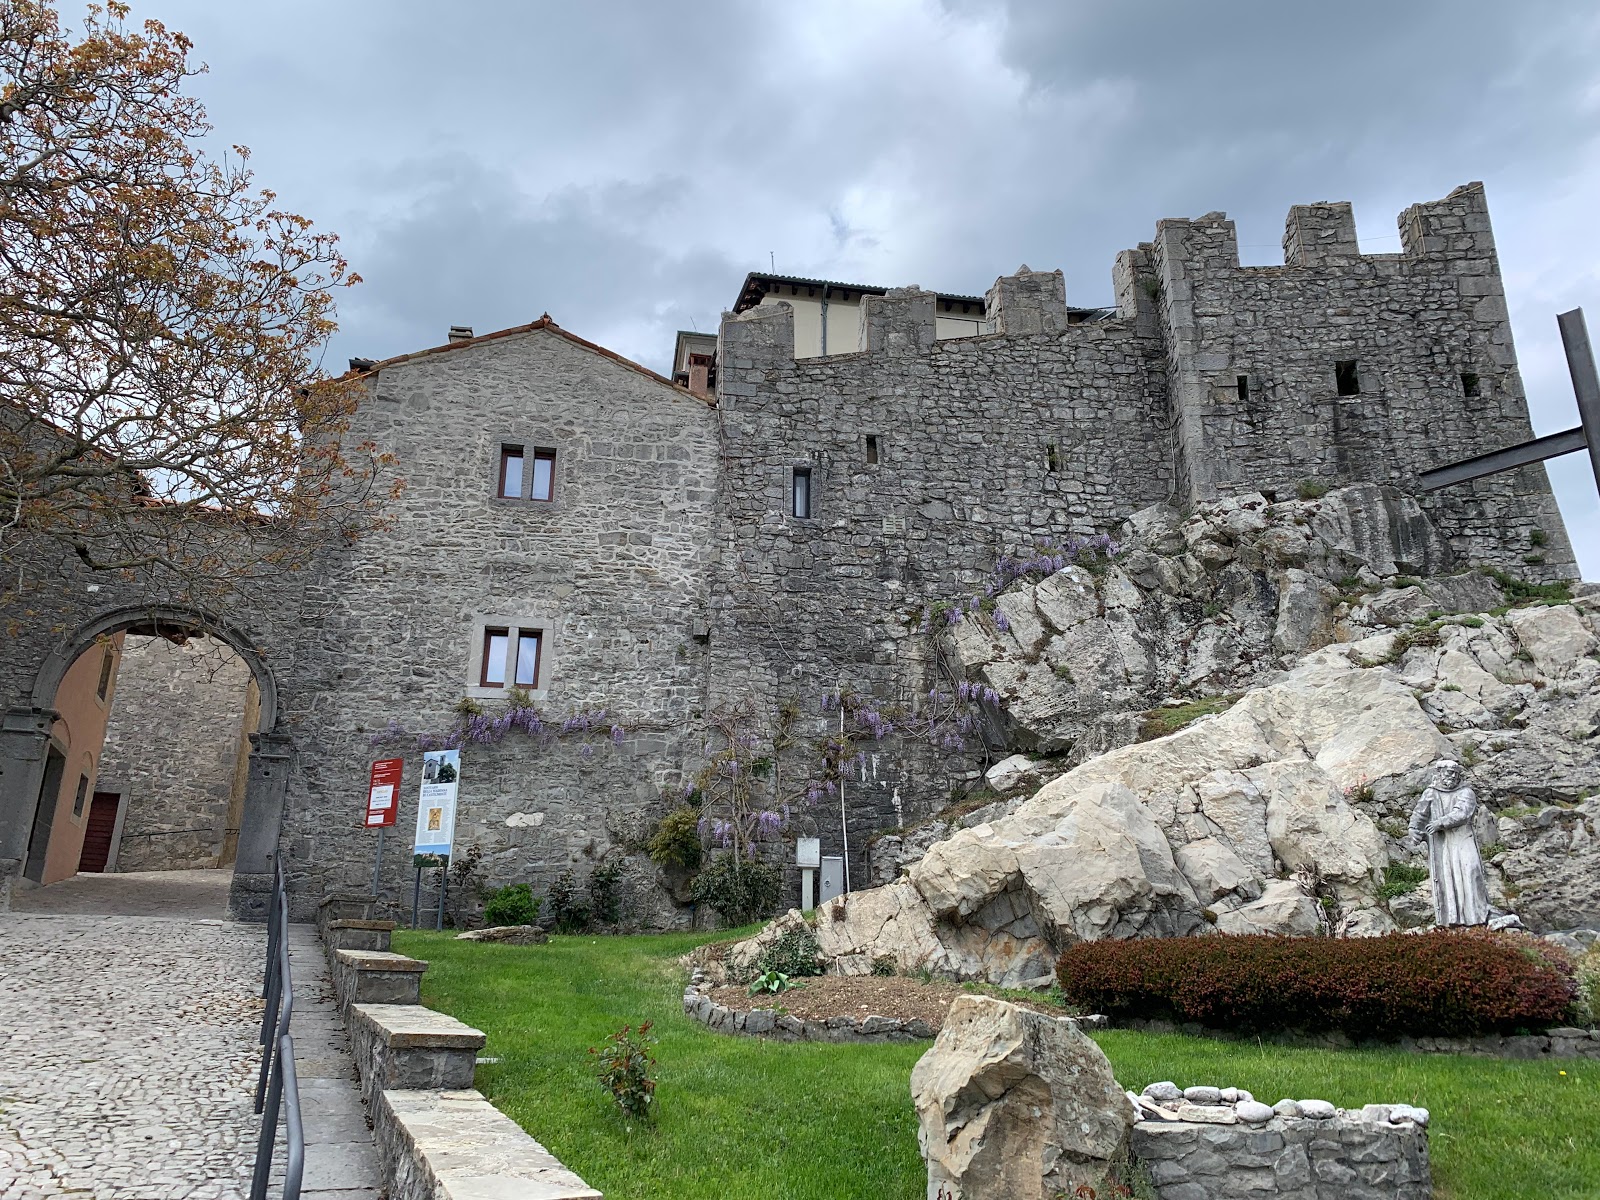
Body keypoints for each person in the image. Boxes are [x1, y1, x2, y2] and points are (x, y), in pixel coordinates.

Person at [1405, 759, 1490, 927]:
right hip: (1442, 843)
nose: (1452, 776)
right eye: (1448, 773)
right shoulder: (1431, 792)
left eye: (1455, 773)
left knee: (1471, 871)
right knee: (1448, 877)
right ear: (1439, 774)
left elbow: (1463, 813)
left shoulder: (1466, 792)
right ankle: (1453, 919)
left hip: (1463, 838)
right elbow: (1420, 813)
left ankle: (1478, 916)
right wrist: (1414, 828)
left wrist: (1440, 822)